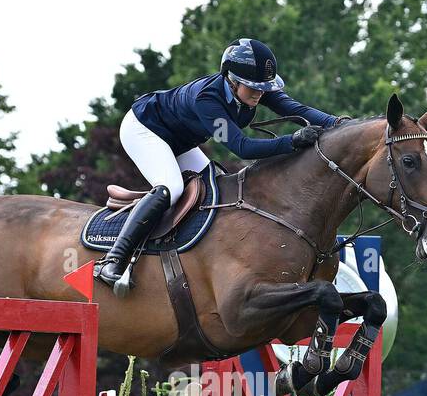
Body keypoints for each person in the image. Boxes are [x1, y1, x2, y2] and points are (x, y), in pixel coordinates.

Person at [97, 37, 340, 288]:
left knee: (217, 186)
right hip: (145, 129)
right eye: (252, 87)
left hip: (180, 140)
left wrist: (336, 124)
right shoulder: (207, 100)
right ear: (232, 81)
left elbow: (294, 108)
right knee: (171, 188)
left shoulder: (254, 90)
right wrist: (293, 140)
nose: (259, 93)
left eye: (263, 87)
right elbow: (242, 148)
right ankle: (113, 260)